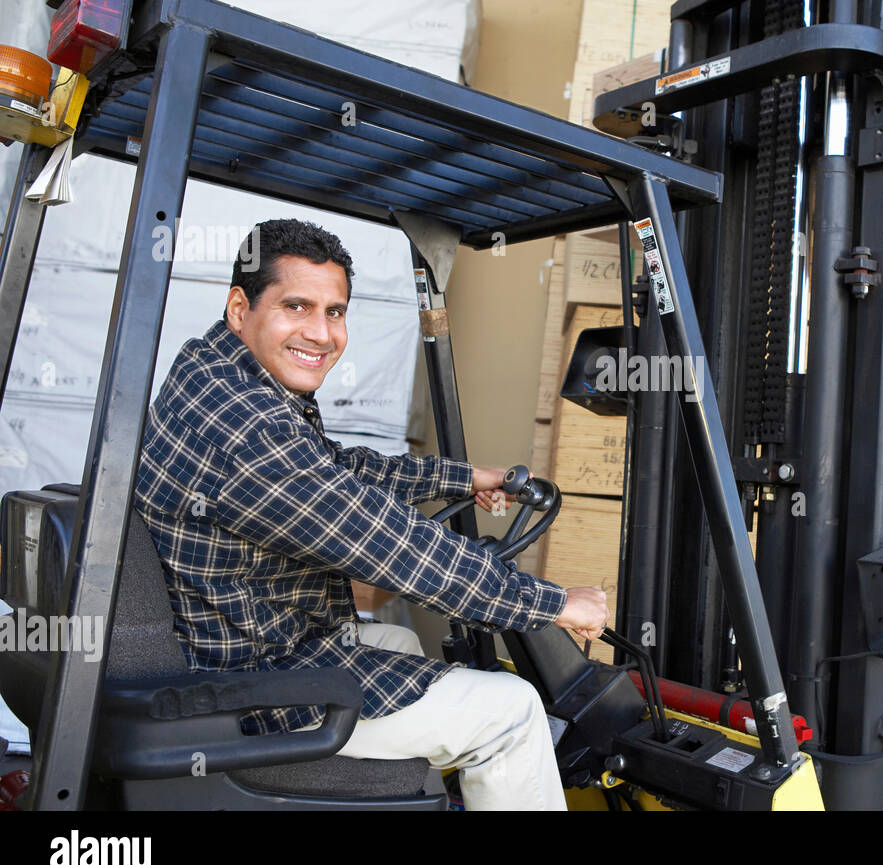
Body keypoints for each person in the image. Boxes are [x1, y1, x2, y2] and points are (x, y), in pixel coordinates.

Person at [133, 218, 607, 810]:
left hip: (241, 637)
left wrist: (464, 476)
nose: (321, 332)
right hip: (253, 687)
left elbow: (337, 472)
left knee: (399, 641)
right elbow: (392, 547)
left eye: (334, 312)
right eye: (297, 306)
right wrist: (554, 602)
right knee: (512, 713)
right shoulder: (247, 427)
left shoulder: (217, 371)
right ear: (239, 307)